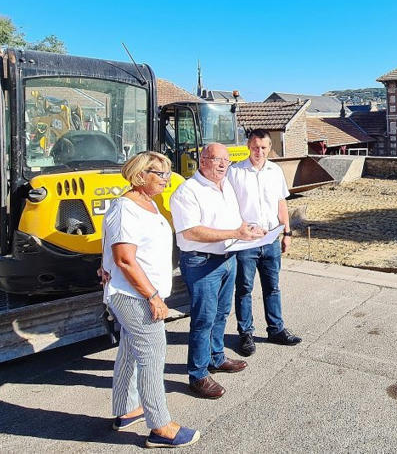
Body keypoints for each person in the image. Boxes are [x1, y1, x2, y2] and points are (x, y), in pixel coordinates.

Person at [101, 151, 200, 448]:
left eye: (168, 173)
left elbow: (111, 246)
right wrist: (154, 297)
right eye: (160, 173)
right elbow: (125, 259)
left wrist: (103, 263)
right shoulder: (125, 208)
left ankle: (126, 410)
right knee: (152, 357)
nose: (166, 178)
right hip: (135, 296)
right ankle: (160, 427)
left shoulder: (149, 204)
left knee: (131, 351)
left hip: (139, 292)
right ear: (140, 175)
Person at [170, 143, 264, 399]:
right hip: (202, 262)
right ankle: (198, 374)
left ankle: (216, 357)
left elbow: (234, 221)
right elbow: (191, 232)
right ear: (202, 161)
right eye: (216, 159)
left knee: (222, 313)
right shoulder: (187, 191)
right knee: (203, 318)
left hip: (227, 258)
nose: (223, 165)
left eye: (227, 160)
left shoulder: (226, 187)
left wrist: (251, 230)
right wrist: (236, 233)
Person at [227, 130, 302, 357]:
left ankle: (276, 329)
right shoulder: (235, 172)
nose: (259, 152)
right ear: (248, 146)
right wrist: (242, 229)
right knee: (244, 289)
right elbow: (228, 206)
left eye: (263, 148)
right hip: (246, 242)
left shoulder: (275, 171)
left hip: (270, 240)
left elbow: (281, 204)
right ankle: (246, 334)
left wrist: (287, 233)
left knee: (272, 287)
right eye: (255, 147)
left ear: (270, 148)